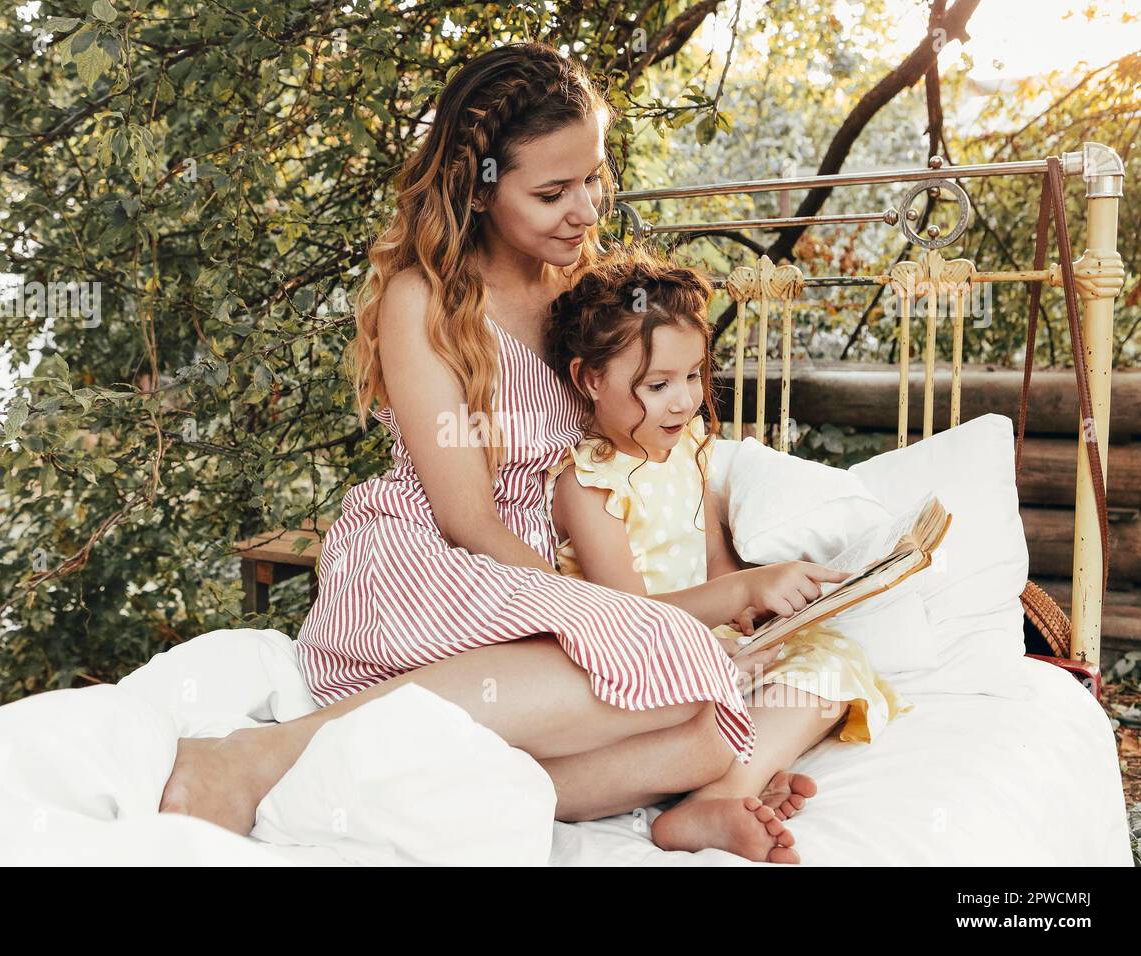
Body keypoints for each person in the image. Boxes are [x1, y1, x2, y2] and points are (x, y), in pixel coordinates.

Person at [160, 42, 801, 850]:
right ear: (484, 187)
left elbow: (640, 440)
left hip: (542, 561)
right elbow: (466, 517)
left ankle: (440, 785)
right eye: (552, 192)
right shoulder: (424, 299)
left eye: (594, 179)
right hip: (439, 553)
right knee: (674, 663)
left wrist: (703, 576)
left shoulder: (587, 291)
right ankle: (269, 754)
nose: (587, 211)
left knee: (716, 726)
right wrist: (610, 616)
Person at [541, 245, 911, 860]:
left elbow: (716, 559)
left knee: (829, 668)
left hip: (710, 648)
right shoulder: (587, 483)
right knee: (711, 711)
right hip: (639, 665)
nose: (684, 401)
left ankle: (719, 794)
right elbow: (631, 621)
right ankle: (723, 779)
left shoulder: (692, 450)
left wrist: (750, 615)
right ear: (590, 379)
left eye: (692, 377)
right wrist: (740, 594)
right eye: (657, 385)